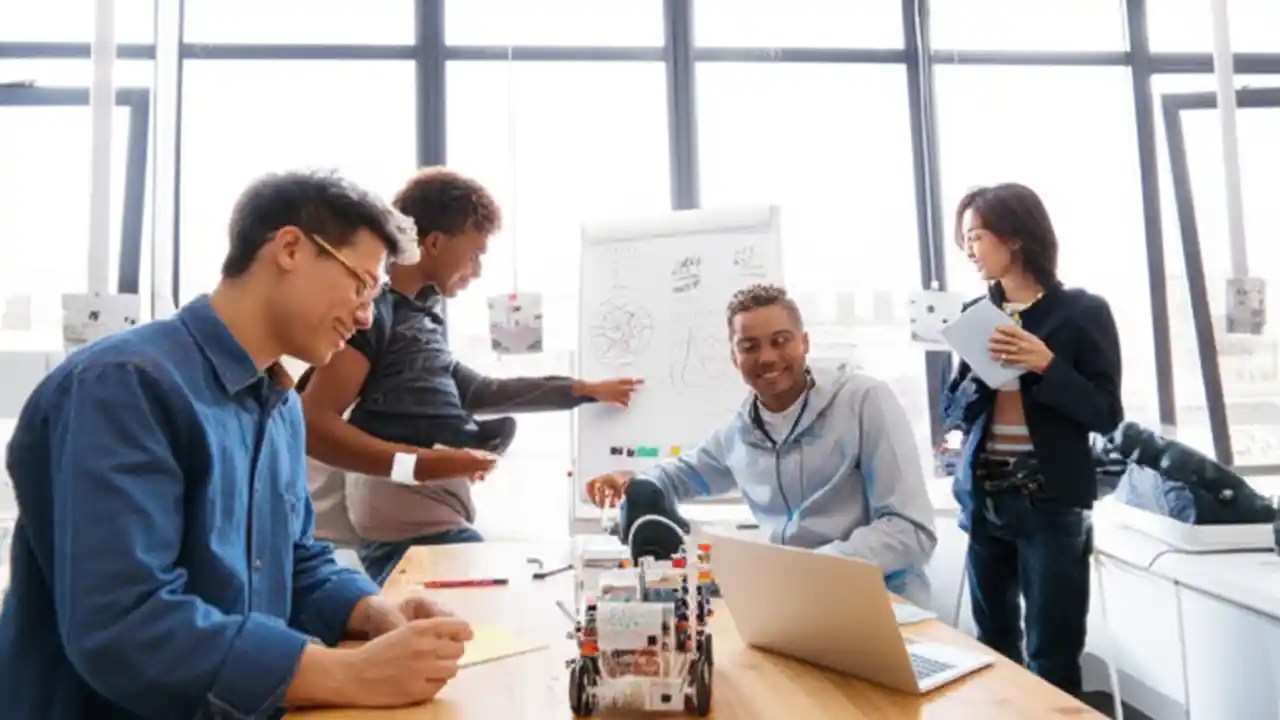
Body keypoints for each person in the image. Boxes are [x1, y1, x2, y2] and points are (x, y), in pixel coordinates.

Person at [0, 170, 476, 719]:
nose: (368, 314)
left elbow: (294, 562)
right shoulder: (125, 385)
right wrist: (348, 673)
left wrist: (372, 613)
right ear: (291, 248)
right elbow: (126, 623)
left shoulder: (275, 401)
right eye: (362, 284)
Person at [299, 167, 642, 585]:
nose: (477, 269)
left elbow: (483, 390)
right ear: (434, 243)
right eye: (475, 252)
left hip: (429, 508)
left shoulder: (420, 326)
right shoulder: (375, 317)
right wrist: (427, 464)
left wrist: (583, 390)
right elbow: (313, 421)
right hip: (406, 518)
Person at [586, 283, 938, 607]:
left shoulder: (864, 401)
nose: (767, 357)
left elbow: (911, 532)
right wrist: (632, 479)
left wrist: (804, 571)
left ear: (805, 343)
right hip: (793, 607)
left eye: (780, 340)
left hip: (882, 605)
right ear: (734, 357)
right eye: (749, 346)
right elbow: (678, 475)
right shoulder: (739, 431)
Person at [942, 182, 1122, 697]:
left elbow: (1106, 414)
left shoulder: (1082, 312)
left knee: (1053, 650)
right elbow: (951, 414)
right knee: (992, 644)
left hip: (1050, 502)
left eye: (976, 237)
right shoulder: (976, 314)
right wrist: (979, 375)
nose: (970, 251)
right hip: (984, 497)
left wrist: (1044, 363)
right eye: (966, 240)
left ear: (1015, 237)